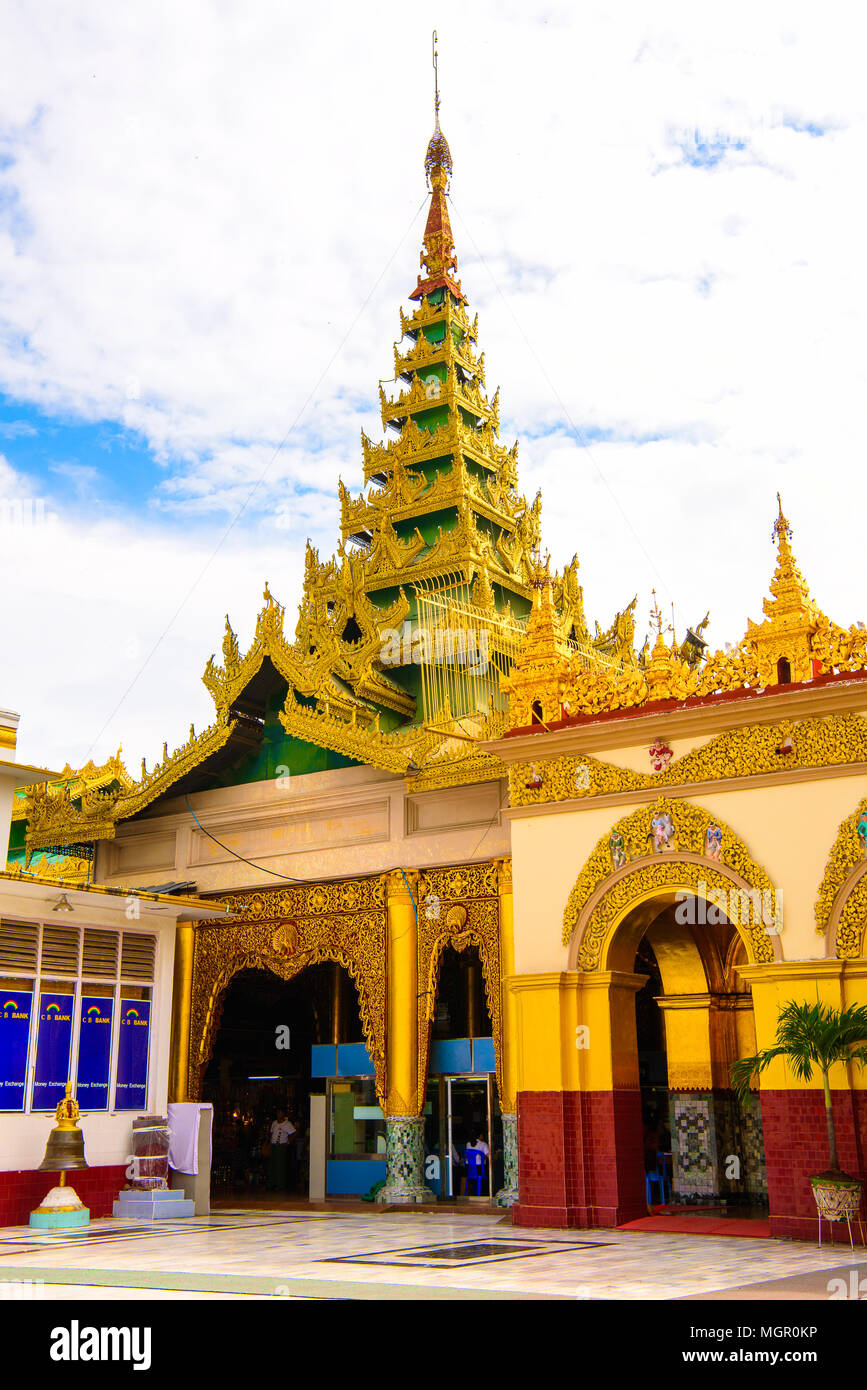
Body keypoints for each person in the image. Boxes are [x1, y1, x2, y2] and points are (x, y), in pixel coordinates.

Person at [267, 1109, 295, 1192]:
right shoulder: (274, 1123)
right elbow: (271, 1133)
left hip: (281, 1146)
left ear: (283, 1114)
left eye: (280, 1113)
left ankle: (280, 1184)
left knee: (280, 1166)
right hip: (273, 1145)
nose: (278, 1114)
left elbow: (294, 1133)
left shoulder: (287, 1124)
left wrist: (288, 1142)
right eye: (277, 1113)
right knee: (272, 1165)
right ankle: (271, 1183)